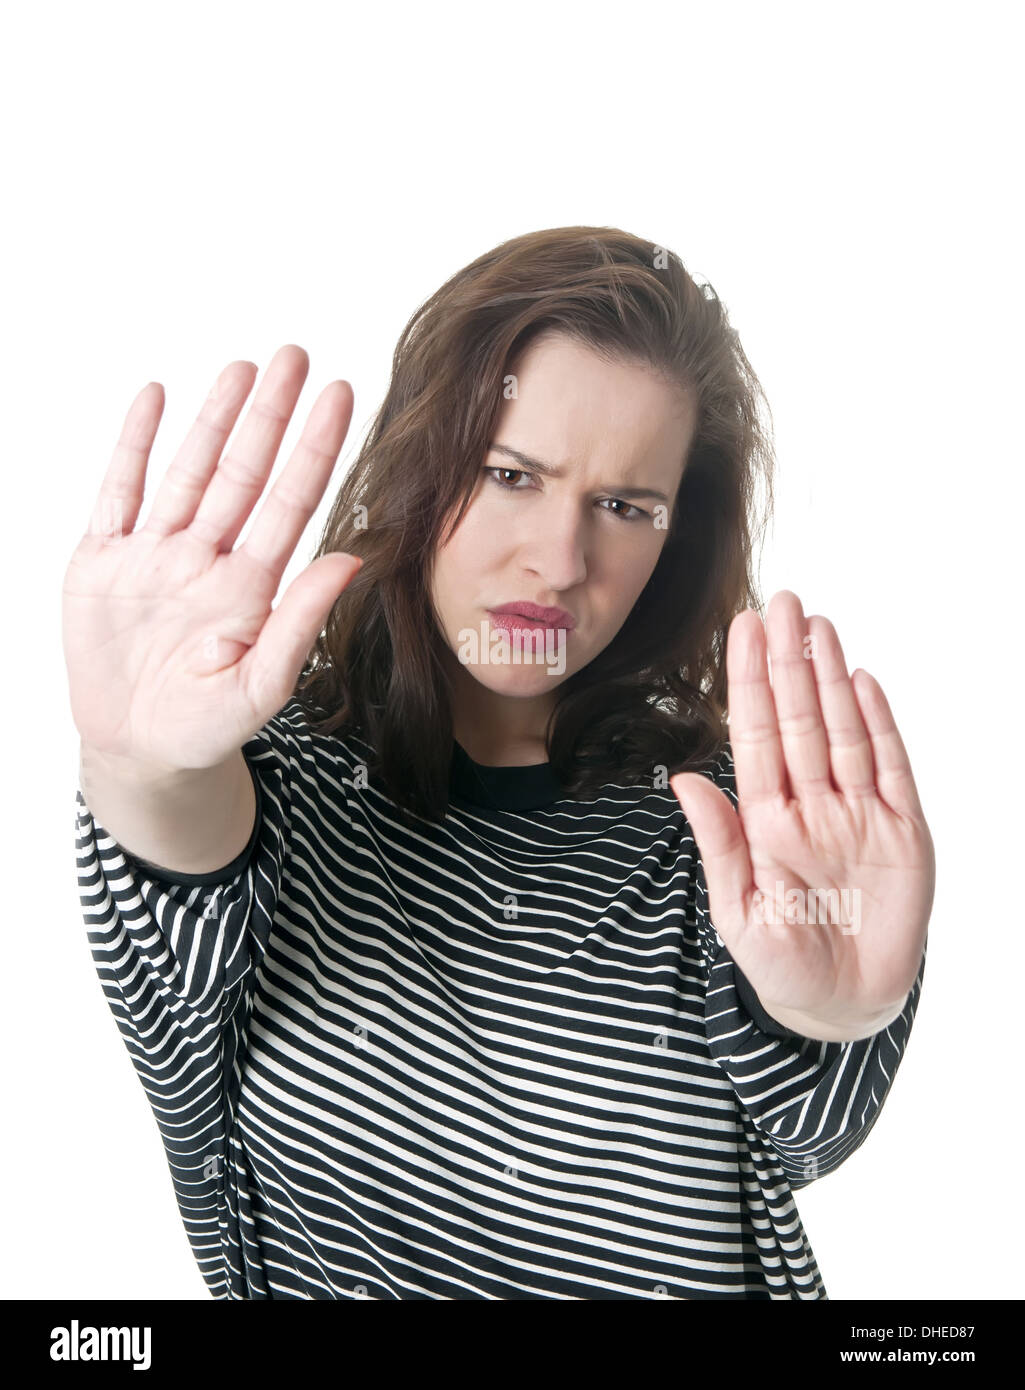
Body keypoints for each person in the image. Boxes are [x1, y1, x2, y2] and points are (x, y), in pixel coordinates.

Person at [67, 226, 934, 1300]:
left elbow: (803, 1137)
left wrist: (834, 1014)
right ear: (425, 464)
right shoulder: (274, 783)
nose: (560, 561)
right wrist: (133, 763)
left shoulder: (730, 820)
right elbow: (174, 841)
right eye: (512, 473)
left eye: (625, 507)